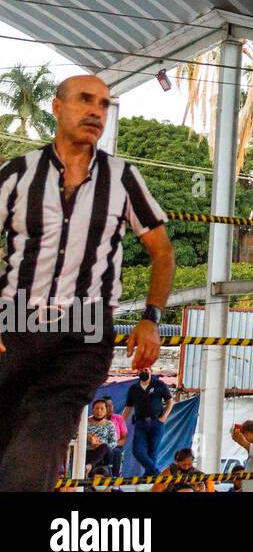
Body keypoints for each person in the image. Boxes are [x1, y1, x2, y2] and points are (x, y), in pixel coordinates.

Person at [0, 75, 173, 490]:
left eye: (103, 103)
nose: (96, 110)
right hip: (13, 323)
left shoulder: (121, 177)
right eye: (85, 100)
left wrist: (151, 318)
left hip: (85, 331)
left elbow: (163, 251)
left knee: (42, 435)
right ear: (57, 108)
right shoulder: (18, 174)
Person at [123, 369, 173, 477]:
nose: (143, 371)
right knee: (138, 451)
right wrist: (120, 423)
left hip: (157, 422)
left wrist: (164, 417)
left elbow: (170, 401)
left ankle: (149, 478)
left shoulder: (159, 384)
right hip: (140, 423)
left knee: (152, 452)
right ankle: (156, 473)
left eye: (146, 369)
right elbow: (128, 407)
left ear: (151, 370)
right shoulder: (133, 388)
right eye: (141, 369)